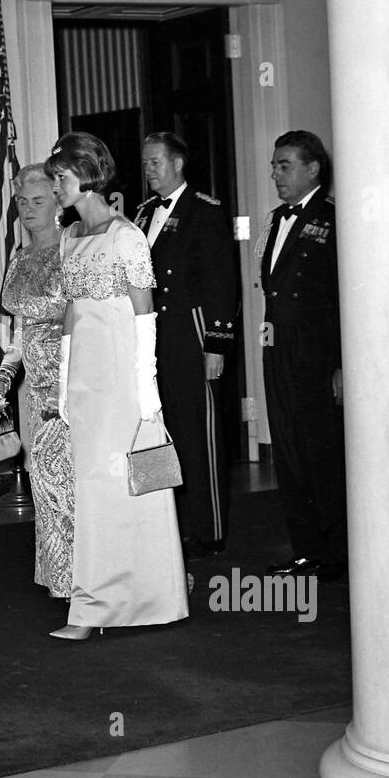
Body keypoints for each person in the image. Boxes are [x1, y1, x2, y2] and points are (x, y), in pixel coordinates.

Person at [48, 132, 189, 640]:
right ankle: (101, 604)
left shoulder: (127, 235)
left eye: (60, 178)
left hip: (120, 376)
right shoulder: (69, 237)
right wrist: (65, 384)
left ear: (85, 175)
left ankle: (117, 606)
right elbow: (69, 314)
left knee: (125, 485)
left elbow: (144, 314)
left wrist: (147, 388)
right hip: (85, 379)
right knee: (91, 487)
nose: (55, 188)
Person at [135, 131, 239, 557]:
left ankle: (208, 528)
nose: (148, 170)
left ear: (178, 163)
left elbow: (221, 280)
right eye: (145, 163)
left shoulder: (205, 211)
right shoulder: (142, 215)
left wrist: (217, 343)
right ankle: (165, 525)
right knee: (157, 432)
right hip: (151, 339)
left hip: (189, 336)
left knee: (199, 435)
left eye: (155, 162)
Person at [259, 129, 347, 581]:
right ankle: (307, 549)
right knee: (290, 454)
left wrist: (342, 364)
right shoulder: (276, 220)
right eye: (274, 165)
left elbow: (345, 298)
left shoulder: (335, 222)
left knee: (323, 452)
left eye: (285, 165)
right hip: (280, 354)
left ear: (313, 169)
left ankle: (338, 553)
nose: (275, 173)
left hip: (319, 357)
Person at [0, 164, 74, 598]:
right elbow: (20, 335)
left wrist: (67, 388)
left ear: (59, 201)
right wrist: (4, 378)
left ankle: (88, 580)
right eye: (22, 201)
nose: (27, 209)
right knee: (45, 484)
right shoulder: (20, 259)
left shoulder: (74, 252)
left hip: (73, 390)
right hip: (36, 392)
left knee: (69, 484)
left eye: (38, 200)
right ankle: (62, 580)